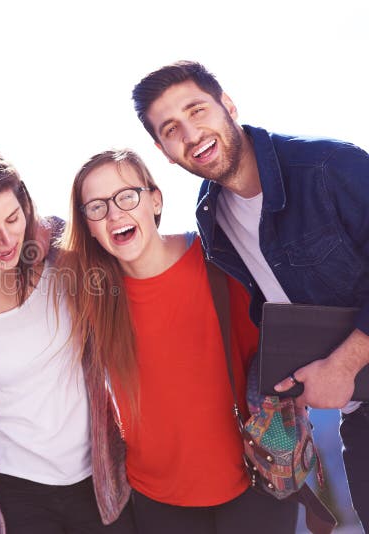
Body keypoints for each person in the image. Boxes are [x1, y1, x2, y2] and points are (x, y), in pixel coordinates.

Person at [132, 60, 369, 529]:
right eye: (172, 129)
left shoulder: (329, 167)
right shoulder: (212, 217)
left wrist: (344, 363)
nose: (191, 134)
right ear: (164, 151)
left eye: (197, 110)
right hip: (357, 414)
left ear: (228, 105)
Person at [60, 148, 298, 533]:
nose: (115, 214)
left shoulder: (218, 261)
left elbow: (281, 348)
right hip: (159, 501)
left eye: (126, 196)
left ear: (155, 200)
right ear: (87, 225)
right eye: (97, 207)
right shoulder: (91, 294)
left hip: (255, 479)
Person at [0, 147, 134, 534]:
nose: (5, 239)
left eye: (13, 219)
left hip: (98, 479)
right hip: (10, 490)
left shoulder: (63, 258)